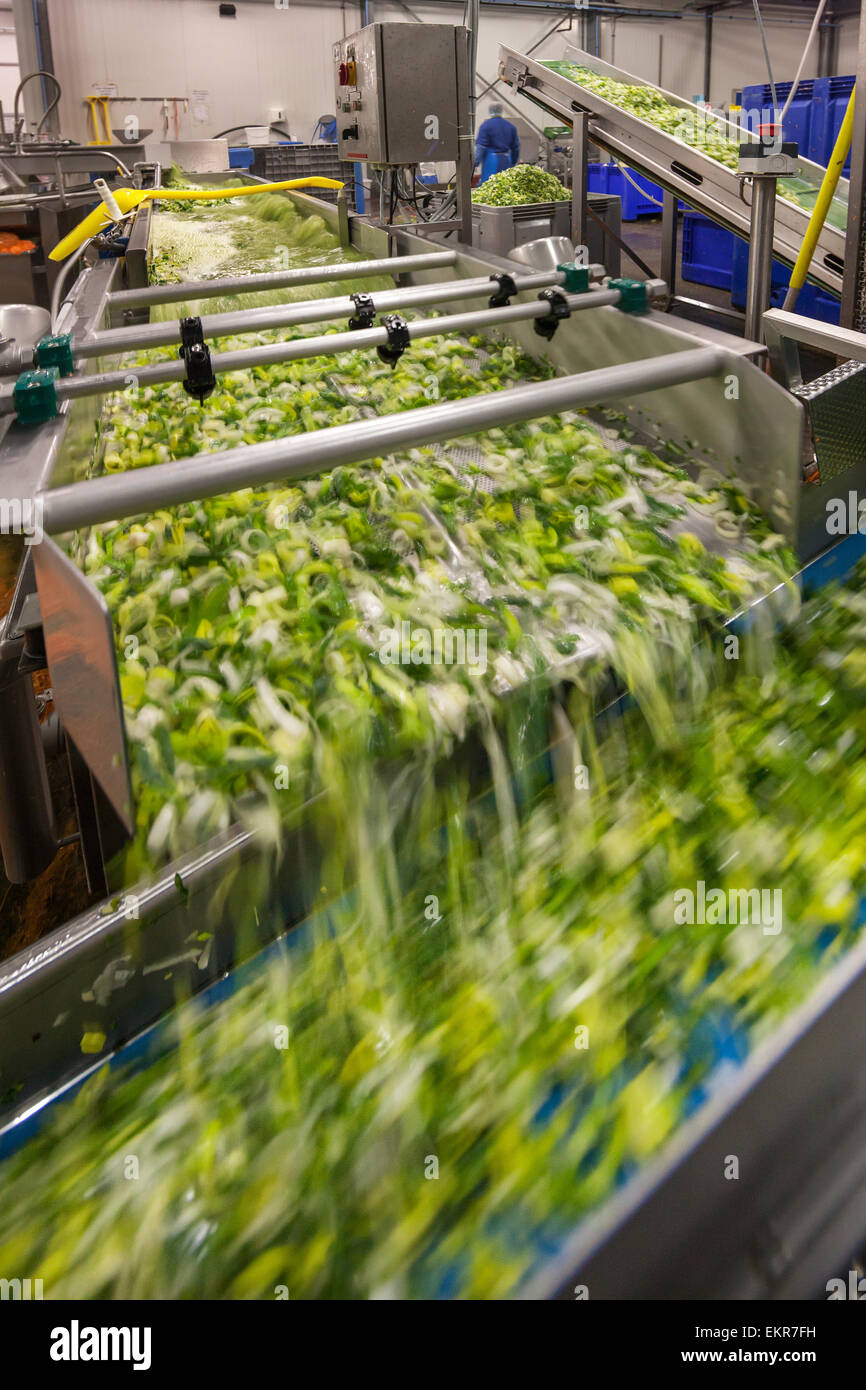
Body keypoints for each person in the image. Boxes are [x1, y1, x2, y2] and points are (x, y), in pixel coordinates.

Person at [474, 103, 520, 184]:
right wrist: (513, 162)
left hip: (491, 161)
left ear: (490, 111)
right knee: (505, 185)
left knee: (489, 186)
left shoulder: (486, 126)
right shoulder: (510, 126)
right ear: (501, 110)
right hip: (506, 159)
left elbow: (481, 147)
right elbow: (516, 148)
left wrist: (475, 163)